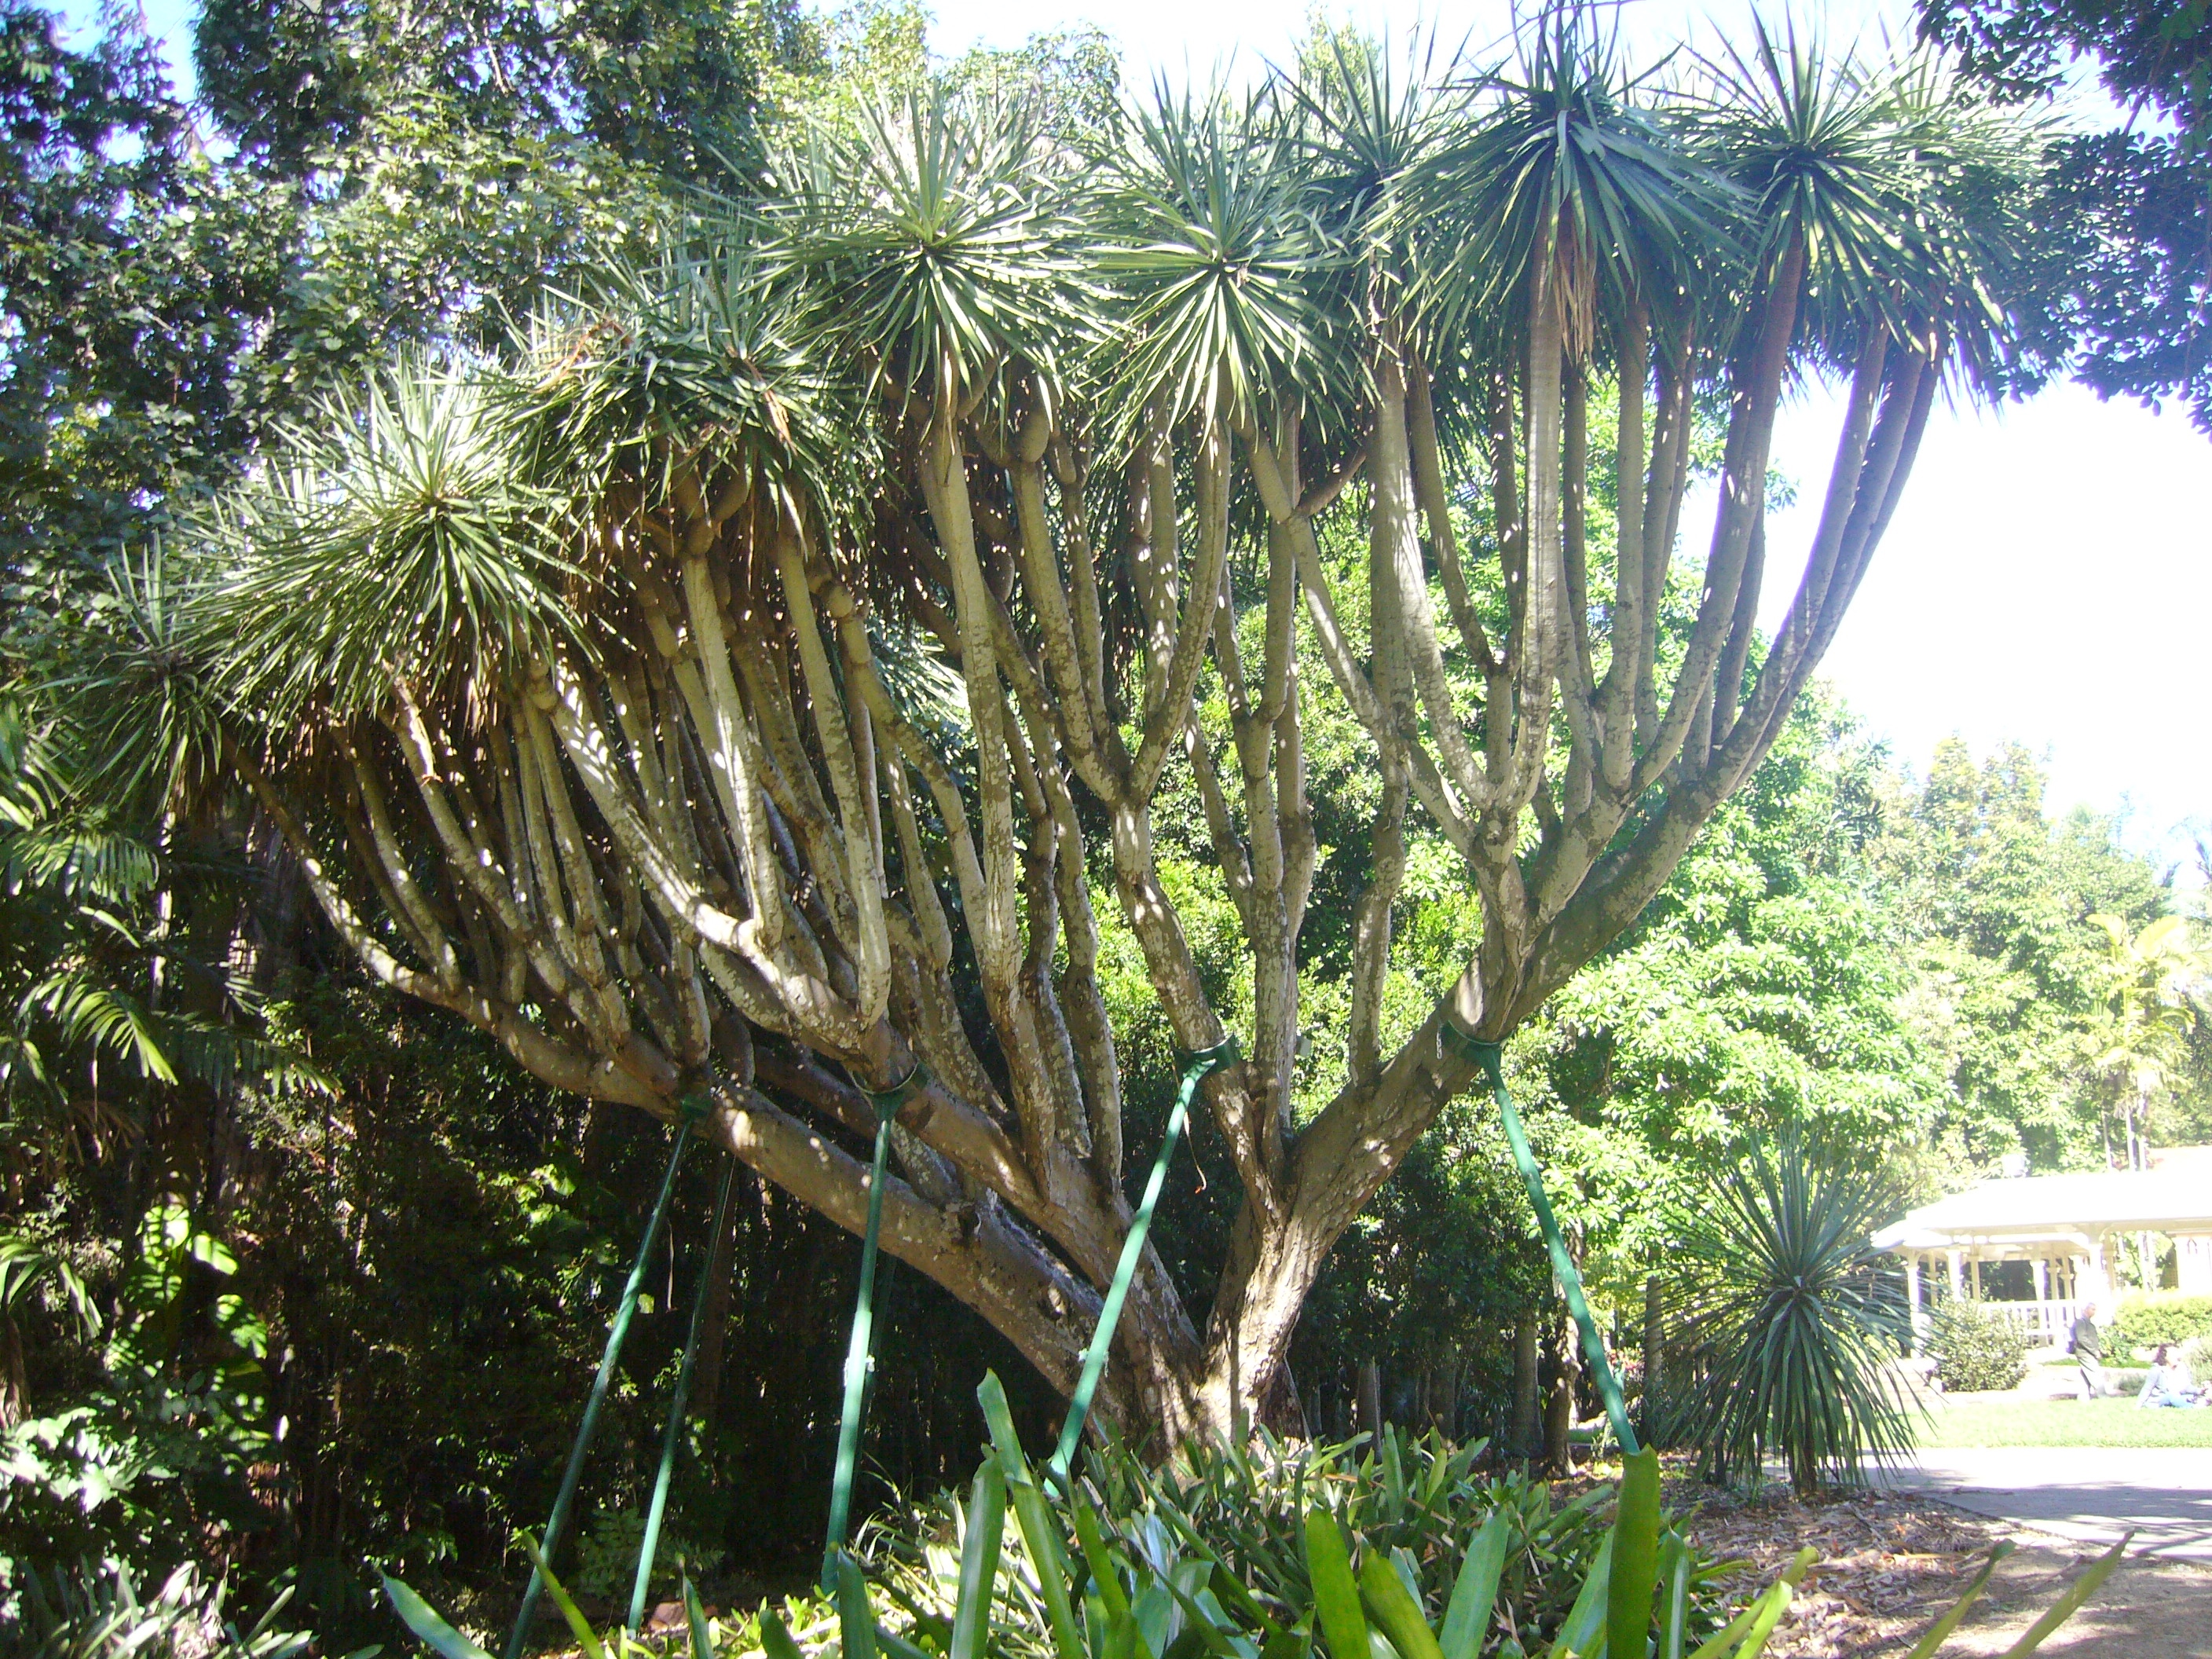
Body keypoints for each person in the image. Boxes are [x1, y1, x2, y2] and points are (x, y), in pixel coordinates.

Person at [2138, 1344, 2195, 1408]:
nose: (2177, 1357)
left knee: (2190, 1397)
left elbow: (2186, 1387)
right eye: (2173, 1354)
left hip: (2177, 1397)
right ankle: (2192, 1406)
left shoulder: (2181, 1367)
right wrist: (2138, 1405)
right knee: (2171, 1396)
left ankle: (2198, 1403)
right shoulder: (2157, 1370)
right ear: (2164, 1356)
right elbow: (2147, 1389)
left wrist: (2199, 1391)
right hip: (2159, 1401)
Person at [2068, 1302, 2104, 1398]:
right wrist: (2094, 1351)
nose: (2094, 1312)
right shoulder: (2081, 1322)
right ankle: (2103, 1395)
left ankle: (2083, 1396)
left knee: (2085, 1375)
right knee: (2095, 1373)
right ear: (2086, 1310)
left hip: (2087, 1352)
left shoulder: (2087, 1322)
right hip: (2085, 1352)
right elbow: (2082, 1338)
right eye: (2093, 1309)